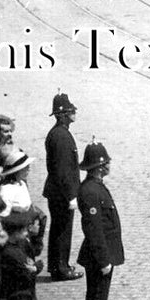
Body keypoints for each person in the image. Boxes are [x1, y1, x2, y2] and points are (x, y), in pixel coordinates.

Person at [77, 143, 123, 300]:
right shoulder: (90, 191)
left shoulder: (95, 187)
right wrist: (104, 260)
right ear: (100, 166)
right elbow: (94, 230)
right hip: (98, 258)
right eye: (106, 163)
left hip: (103, 255)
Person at [43, 94, 82, 282]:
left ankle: (59, 265)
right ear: (63, 114)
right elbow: (63, 170)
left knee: (59, 229)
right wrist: (71, 196)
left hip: (57, 192)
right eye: (70, 110)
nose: (74, 112)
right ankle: (61, 268)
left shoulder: (59, 133)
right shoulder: (61, 136)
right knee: (62, 230)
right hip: (61, 193)